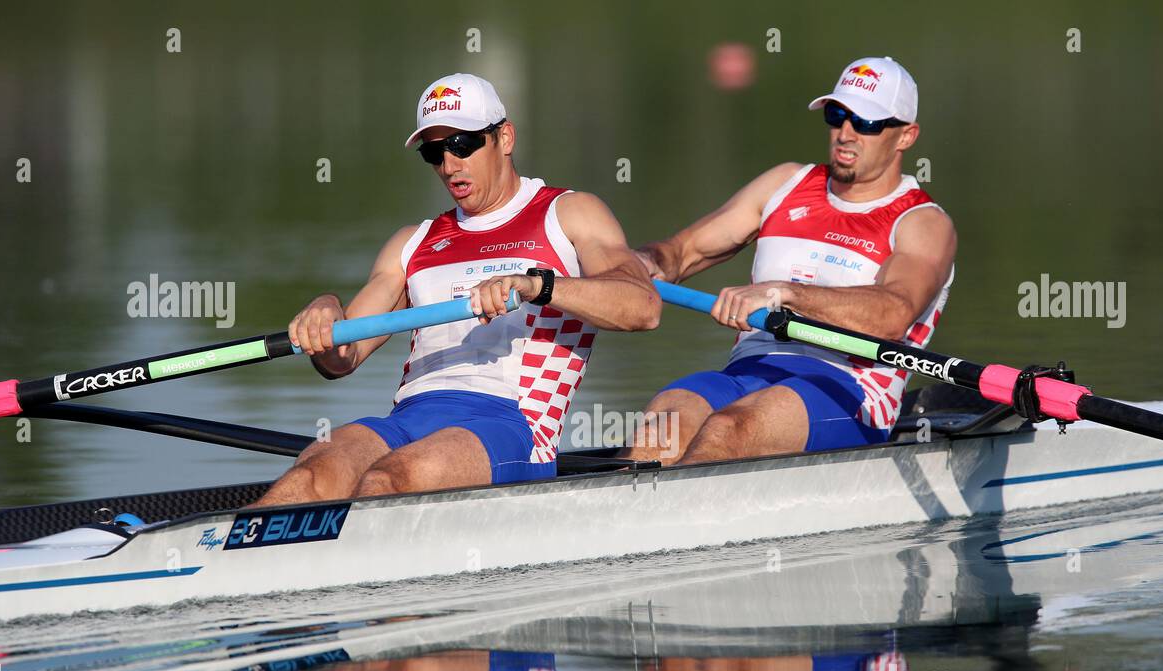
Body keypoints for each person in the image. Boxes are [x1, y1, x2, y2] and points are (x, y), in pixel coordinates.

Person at [257, 73, 659, 505]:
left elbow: (643, 306)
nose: (449, 165)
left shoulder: (569, 213)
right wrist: (324, 311)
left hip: (510, 425)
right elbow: (342, 357)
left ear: (505, 138)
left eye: (463, 145)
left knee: (386, 482)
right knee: (309, 476)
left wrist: (535, 285)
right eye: (434, 151)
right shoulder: (413, 241)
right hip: (409, 419)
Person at [626, 56, 955, 465]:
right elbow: (680, 253)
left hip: (849, 388)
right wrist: (639, 262)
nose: (846, 134)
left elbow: (894, 314)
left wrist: (783, 293)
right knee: (663, 426)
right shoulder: (785, 184)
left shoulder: (921, 222)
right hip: (750, 371)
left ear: (906, 136)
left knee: (730, 428)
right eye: (837, 116)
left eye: (867, 123)